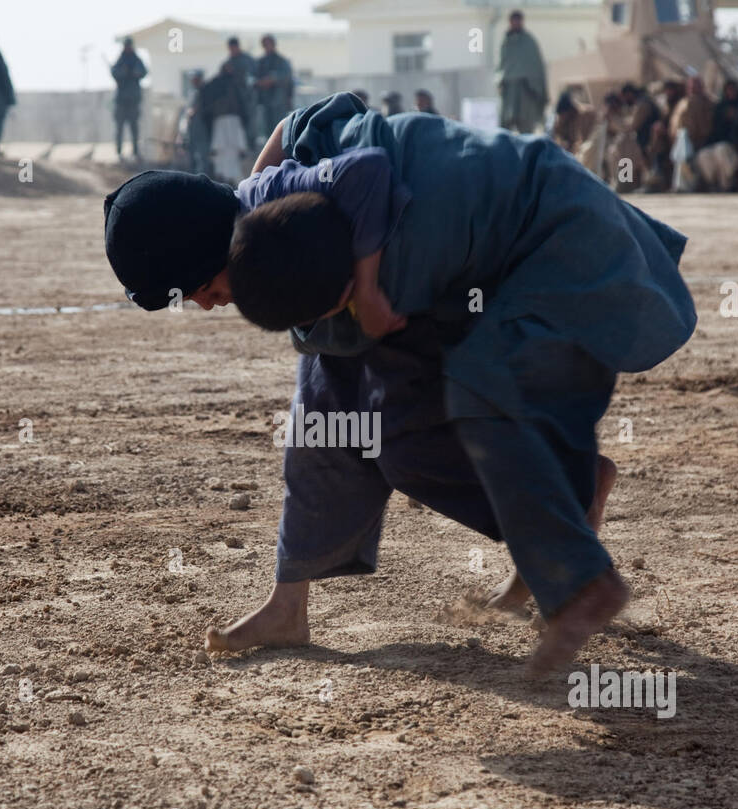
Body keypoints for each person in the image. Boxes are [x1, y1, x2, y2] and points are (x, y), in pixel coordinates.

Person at [102, 91, 697, 673]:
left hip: (560, 245)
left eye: (204, 289)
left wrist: (360, 300)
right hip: (469, 258)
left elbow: (373, 198)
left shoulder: (383, 246)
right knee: (332, 414)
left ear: (222, 246)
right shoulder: (281, 207)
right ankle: (289, 605)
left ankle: (580, 570)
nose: (208, 305)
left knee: (456, 410)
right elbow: (296, 124)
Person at [497, 9, 547, 133]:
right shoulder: (506, 41)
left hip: (525, 89)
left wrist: (533, 84)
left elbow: (536, 66)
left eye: (518, 20)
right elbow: (502, 65)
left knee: (525, 128)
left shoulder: (529, 42)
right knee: (505, 127)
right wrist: (500, 80)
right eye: (513, 21)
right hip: (509, 91)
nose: (515, 23)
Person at [694, 79, 738, 191]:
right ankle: (714, 183)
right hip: (719, 142)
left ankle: (727, 184)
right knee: (703, 154)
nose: (730, 93)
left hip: (735, 143)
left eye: (733, 90)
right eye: (728, 90)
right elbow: (716, 129)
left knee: (721, 150)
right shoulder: (720, 107)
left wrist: (736, 118)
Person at [110, 37, 147, 162]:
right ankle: (119, 152)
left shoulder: (136, 60)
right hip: (121, 102)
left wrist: (134, 72)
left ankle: (135, 152)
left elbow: (143, 72)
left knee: (134, 128)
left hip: (133, 102)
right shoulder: (120, 60)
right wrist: (123, 72)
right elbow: (114, 72)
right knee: (119, 128)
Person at [253, 34, 294, 141]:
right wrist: (261, 82)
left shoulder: (282, 61)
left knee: (281, 131)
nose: (267, 46)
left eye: (268, 44)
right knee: (267, 133)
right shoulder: (260, 62)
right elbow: (252, 80)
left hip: (279, 102)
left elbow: (288, 79)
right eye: (264, 44)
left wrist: (273, 80)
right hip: (265, 103)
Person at [223, 36, 258, 148]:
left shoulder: (248, 60)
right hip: (234, 103)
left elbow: (253, 79)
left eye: (233, 47)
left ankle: (251, 147)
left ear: (237, 47)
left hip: (249, 100)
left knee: (251, 127)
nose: (232, 50)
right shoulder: (228, 63)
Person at [183, 71, 210, 175]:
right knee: (191, 154)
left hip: (202, 127)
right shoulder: (192, 93)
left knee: (202, 155)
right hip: (192, 128)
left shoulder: (205, 92)